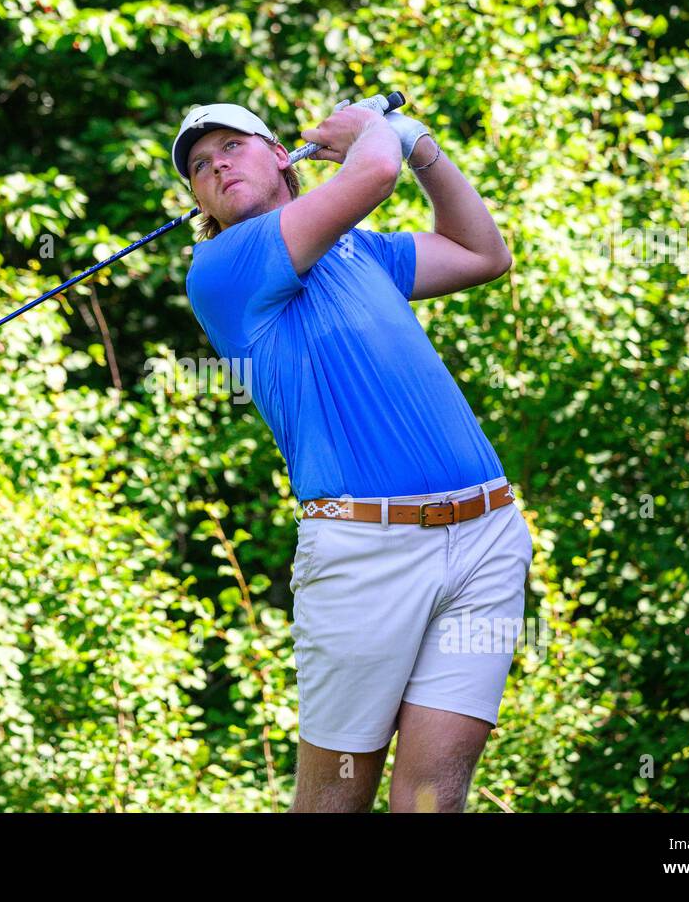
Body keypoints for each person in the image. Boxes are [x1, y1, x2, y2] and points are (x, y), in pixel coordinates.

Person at [172, 98, 534, 812]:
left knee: (432, 797)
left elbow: (484, 254)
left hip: (487, 536)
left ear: (282, 155)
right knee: (334, 802)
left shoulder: (359, 251)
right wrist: (374, 131)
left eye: (230, 147)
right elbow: (371, 176)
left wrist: (417, 144)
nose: (214, 165)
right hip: (364, 552)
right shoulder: (223, 266)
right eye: (198, 167)